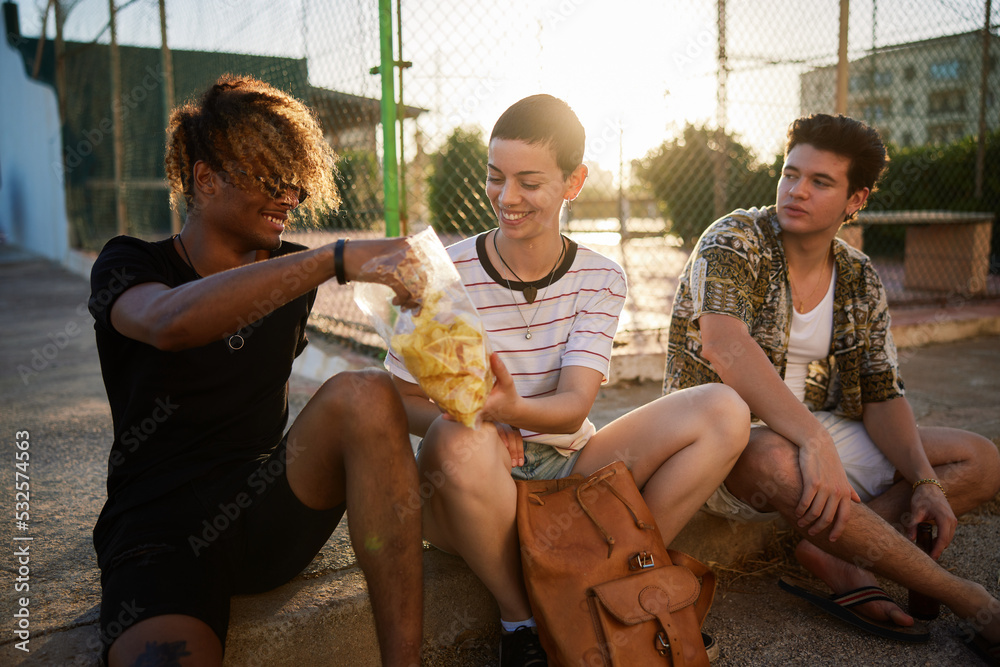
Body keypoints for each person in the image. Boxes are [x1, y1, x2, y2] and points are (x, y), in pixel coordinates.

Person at [387, 94, 750, 666]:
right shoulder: (438, 273)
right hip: (476, 488)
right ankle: (523, 624)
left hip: (569, 474)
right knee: (457, 440)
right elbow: (403, 398)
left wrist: (510, 410)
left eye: (529, 182)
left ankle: (620, 579)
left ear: (572, 182)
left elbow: (574, 406)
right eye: (495, 177)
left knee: (725, 410)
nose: (507, 198)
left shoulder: (601, 277)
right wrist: (478, 418)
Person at [88, 75, 424, 666]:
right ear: (205, 178)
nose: (291, 195)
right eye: (271, 177)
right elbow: (171, 323)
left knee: (366, 391)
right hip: (157, 530)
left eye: (297, 178)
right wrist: (335, 258)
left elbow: (374, 410)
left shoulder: (294, 274)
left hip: (265, 509)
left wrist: (479, 396)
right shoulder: (130, 262)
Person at [664, 113, 1000, 659]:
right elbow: (724, 347)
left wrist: (923, 482)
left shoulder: (859, 275)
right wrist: (812, 443)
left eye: (820, 182)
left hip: (819, 433)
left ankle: (835, 553)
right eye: (790, 173)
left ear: (855, 199)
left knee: (978, 460)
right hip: (729, 439)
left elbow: (881, 391)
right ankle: (967, 598)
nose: (796, 191)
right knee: (775, 459)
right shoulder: (735, 238)